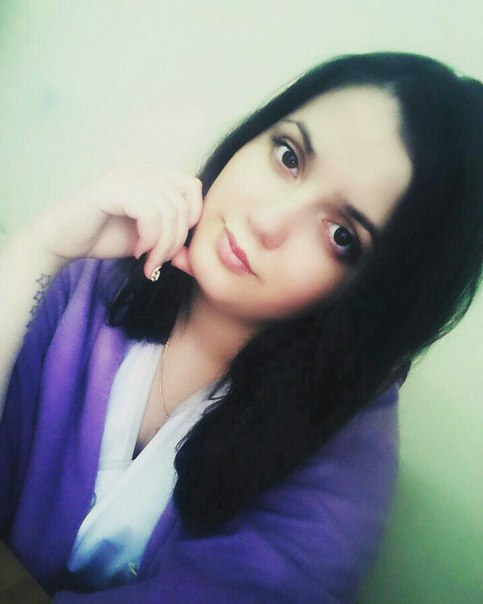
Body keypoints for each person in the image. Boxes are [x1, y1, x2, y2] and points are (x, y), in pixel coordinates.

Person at [0, 51, 482, 603]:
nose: (267, 219)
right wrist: (39, 250)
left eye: (341, 236)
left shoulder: (340, 467)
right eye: (288, 155)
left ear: (377, 297)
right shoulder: (99, 276)